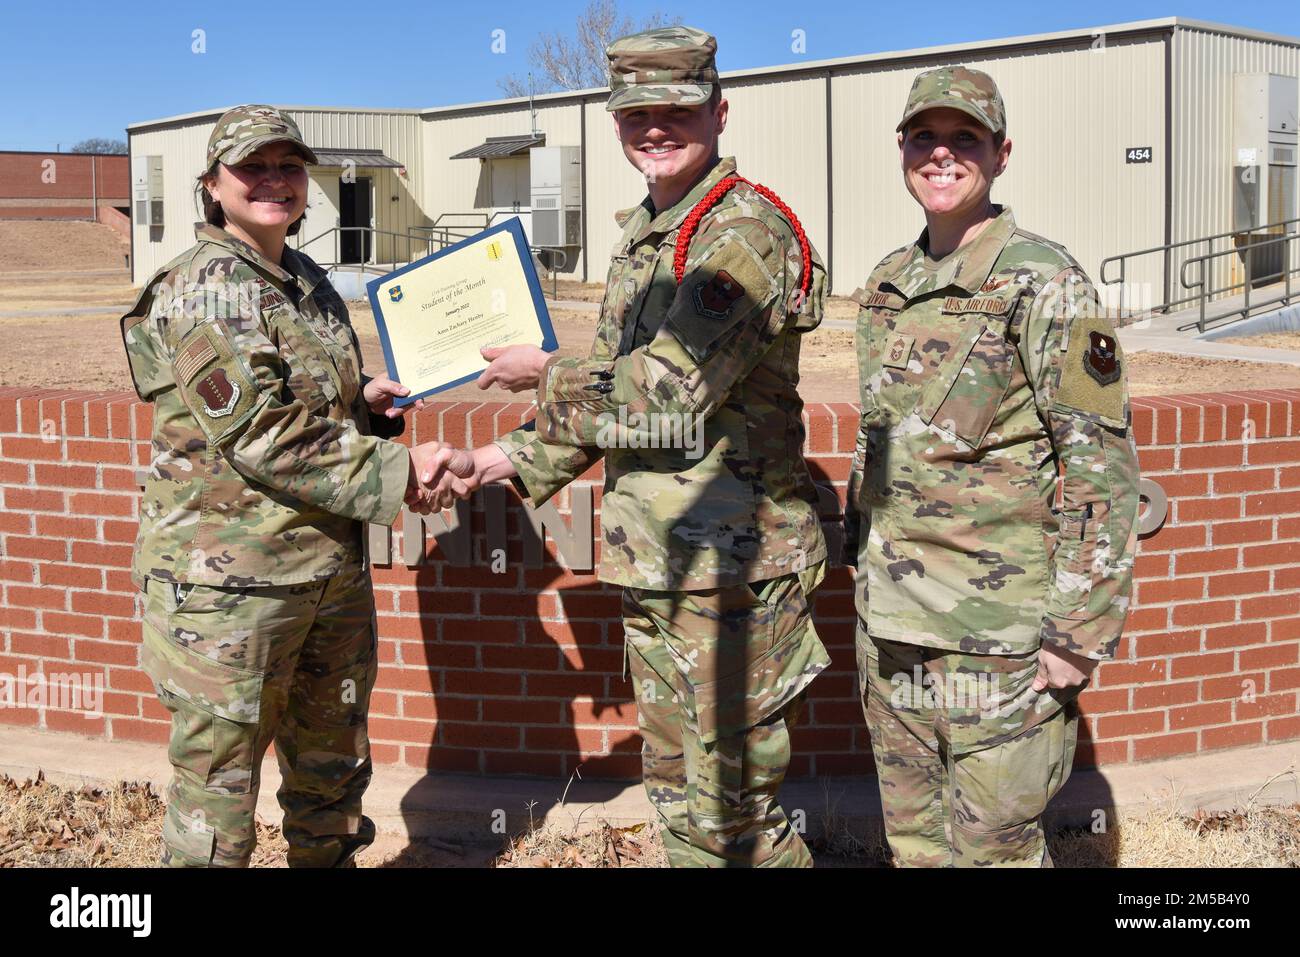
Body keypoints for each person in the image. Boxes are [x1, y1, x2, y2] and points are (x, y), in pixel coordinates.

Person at [426, 27, 831, 867]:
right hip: (662, 568)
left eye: (676, 108)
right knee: (683, 806)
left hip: (733, 581)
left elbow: (666, 391)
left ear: (718, 112)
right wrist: (499, 460)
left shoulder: (743, 234)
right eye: (636, 112)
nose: (655, 126)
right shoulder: (649, 233)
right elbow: (618, 406)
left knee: (736, 821)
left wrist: (542, 370)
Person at [120, 105, 449, 867]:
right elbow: (262, 434)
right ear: (212, 184)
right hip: (231, 595)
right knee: (217, 803)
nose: (275, 180)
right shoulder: (204, 290)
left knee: (330, 779)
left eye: (289, 166)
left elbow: (303, 398)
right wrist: (402, 471)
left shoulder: (301, 279)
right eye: (253, 167)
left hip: (325, 576)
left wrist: (362, 399)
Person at [843, 66, 1141, 867]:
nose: (942, 154)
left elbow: (1101, 467)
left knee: (993, 853)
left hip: (998, 645)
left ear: (1002, 154)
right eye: (924, 137)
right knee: (916, 845)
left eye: (964, 138)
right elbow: (882, 446)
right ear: (902, 149)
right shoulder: (886, 285)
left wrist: (1078, 632)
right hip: (893, 631)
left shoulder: (1049, 283)